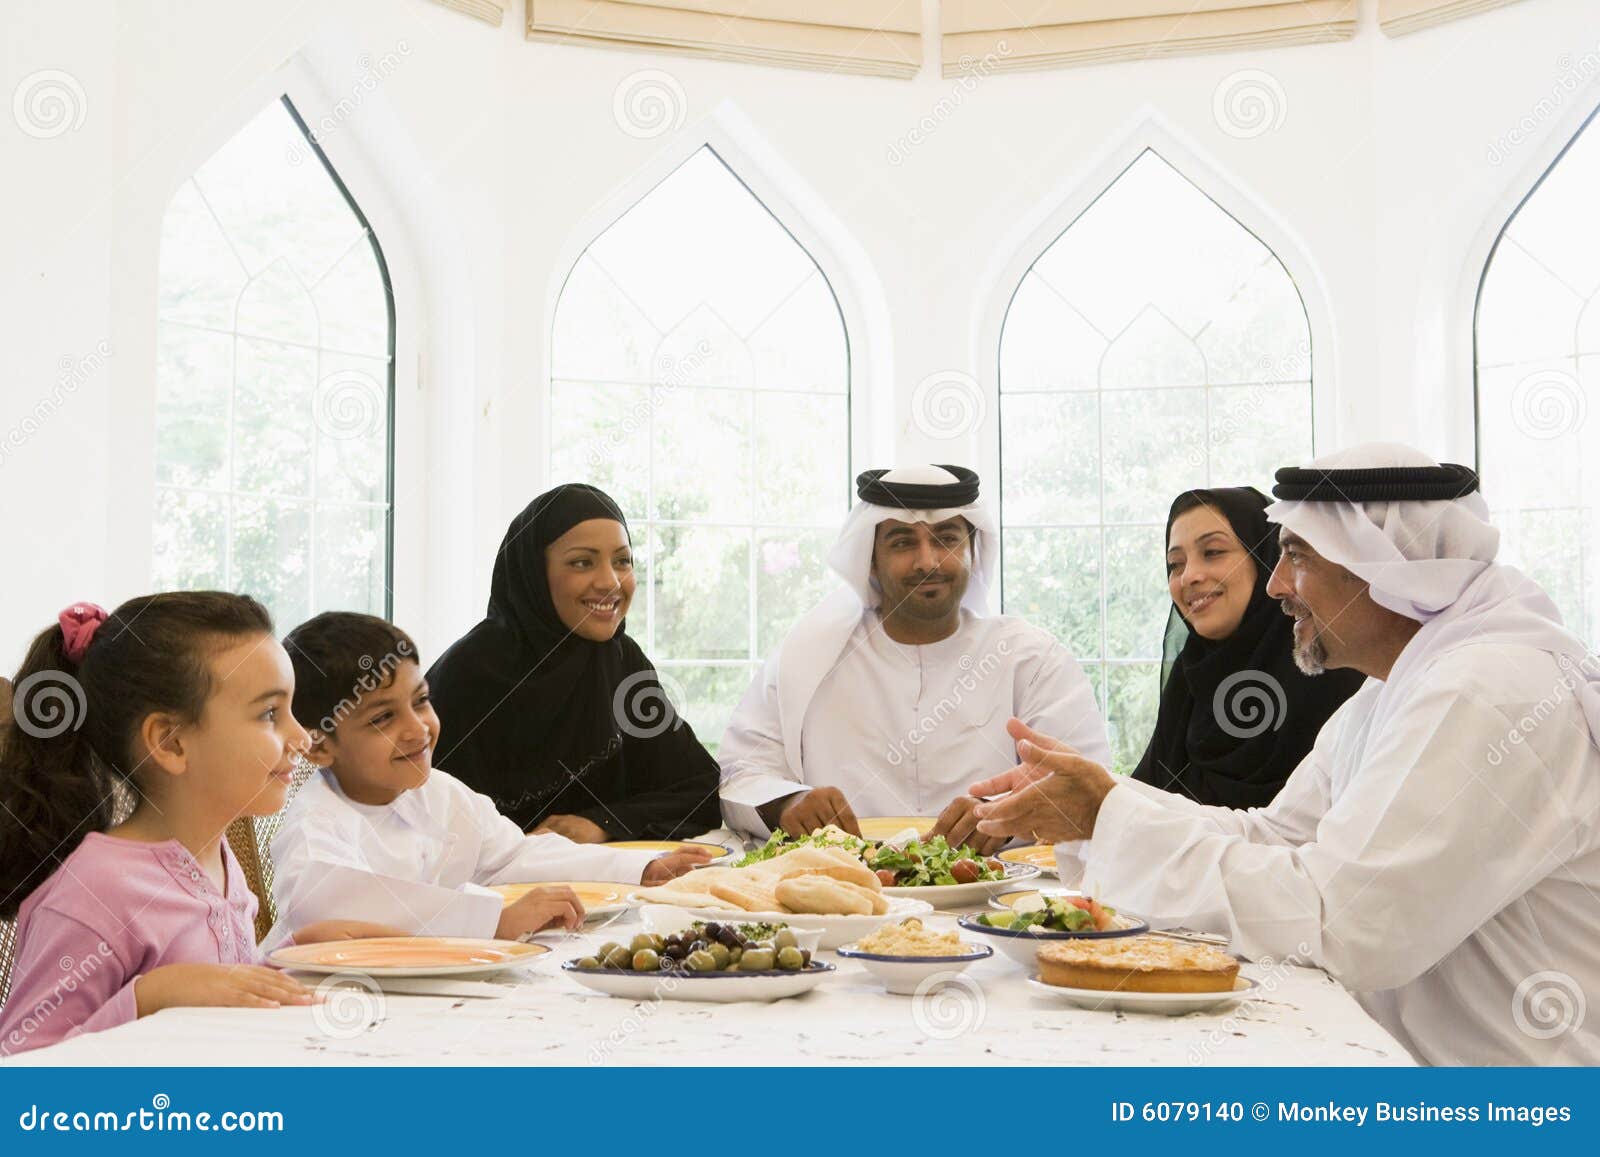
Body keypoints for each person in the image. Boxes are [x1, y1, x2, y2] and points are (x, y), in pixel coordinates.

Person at [968, 445, 1600, 1065]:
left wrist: (1108, 817)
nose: (1275, 585)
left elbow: (1344, 924)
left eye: (1295, 556)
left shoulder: (1487, 690)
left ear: (1382, 565)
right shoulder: (1390, 690)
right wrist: (1098, 801)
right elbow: (1277, 833)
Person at [0, 594, 380, 1057]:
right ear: (171, 742)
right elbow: (20, 1067)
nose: (301, 737)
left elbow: (215, 991)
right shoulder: (95, 893)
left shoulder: (218, 860)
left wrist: (293, 957)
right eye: (269, 714)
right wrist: (148, 998)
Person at [718, 464, 1108, 851]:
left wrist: (1001, 813)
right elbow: (741, 772)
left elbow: (1083, 788)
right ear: (871, 558)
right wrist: (789, 801)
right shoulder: (807, 657)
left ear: (972, 549)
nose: (928, 561)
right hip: (847, 895)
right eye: (903, 542)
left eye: (946, 539)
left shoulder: (1033, 660)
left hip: (1001, 899)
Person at [268, 612, 709, 947]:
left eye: (420, 701)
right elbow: (332, 910)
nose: (418, 728)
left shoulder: (441, 793)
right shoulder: (315, 826)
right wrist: (493, 921)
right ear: (318, 746)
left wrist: (643, 867)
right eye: (384, 717)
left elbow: (514, 857)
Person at [426, 484, 722, 841]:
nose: (610, 582)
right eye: (582, 562)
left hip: (610, 886)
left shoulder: (621, 660)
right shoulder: (468, 674)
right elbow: (428, 823)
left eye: (622, 561)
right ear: (534, 574)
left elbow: (700, 791)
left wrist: (601, 824)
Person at [1134, 486, 1364, 807]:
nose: (1189, 577)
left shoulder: (1328, 665)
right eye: (1175, 564)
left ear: (1266, 557)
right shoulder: (1189, 683)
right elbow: (1142, 805)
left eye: (1213, 552)